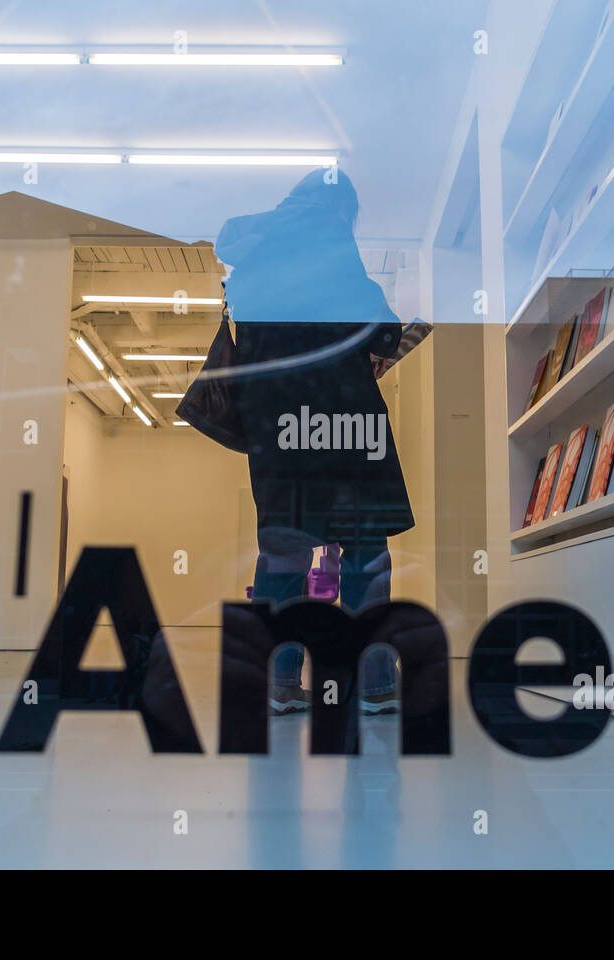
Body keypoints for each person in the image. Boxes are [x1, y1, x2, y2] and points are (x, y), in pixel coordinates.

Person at [215, 169, 414, 715]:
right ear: (340, 208)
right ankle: (372, 682)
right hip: (345, 424)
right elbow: (381, 327)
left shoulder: (250, 259)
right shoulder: (328, 240)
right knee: (365, 546)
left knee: (284, 549)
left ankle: (280, 681)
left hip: (278, 430)